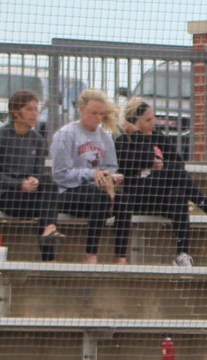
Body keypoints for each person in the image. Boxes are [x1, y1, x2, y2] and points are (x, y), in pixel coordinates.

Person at [111, 97, 207, 267]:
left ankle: (182, 254)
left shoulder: (157, 136)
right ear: (134, 122)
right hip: (137, 195)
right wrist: (138, 136)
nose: (152, 123)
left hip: (159, 196)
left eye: (153, 118)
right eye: (147, 120)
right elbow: (136, 162)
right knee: (173, 170)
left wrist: (163, 165)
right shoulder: (122, 141)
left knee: (178, 195)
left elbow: (178, 162)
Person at [48, 89, 120, 262]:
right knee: (100, 196)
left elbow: (110, 166)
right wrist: (91, 174)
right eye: (94, 113)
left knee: (124, 202)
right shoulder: (66, 134)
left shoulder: (105, 137)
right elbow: (60, 174)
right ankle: (90, 254)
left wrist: (109, 176)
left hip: (97, 193)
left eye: (101, 114)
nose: (98, 118)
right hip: (67, 193)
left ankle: (121, 258)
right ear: (81, 109)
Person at [1, 91, 61, 261]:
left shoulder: (37, 139)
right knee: (47, 208)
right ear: (16, 112)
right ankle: (49, 258)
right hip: (7, 196)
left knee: (50, 186)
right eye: (29, 109)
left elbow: (39, 171)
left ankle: (49, 230)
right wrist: (19, 184)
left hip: (31, 197)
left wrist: (35, 179)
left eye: (36, 109)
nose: (34, 113)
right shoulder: (2, 137)